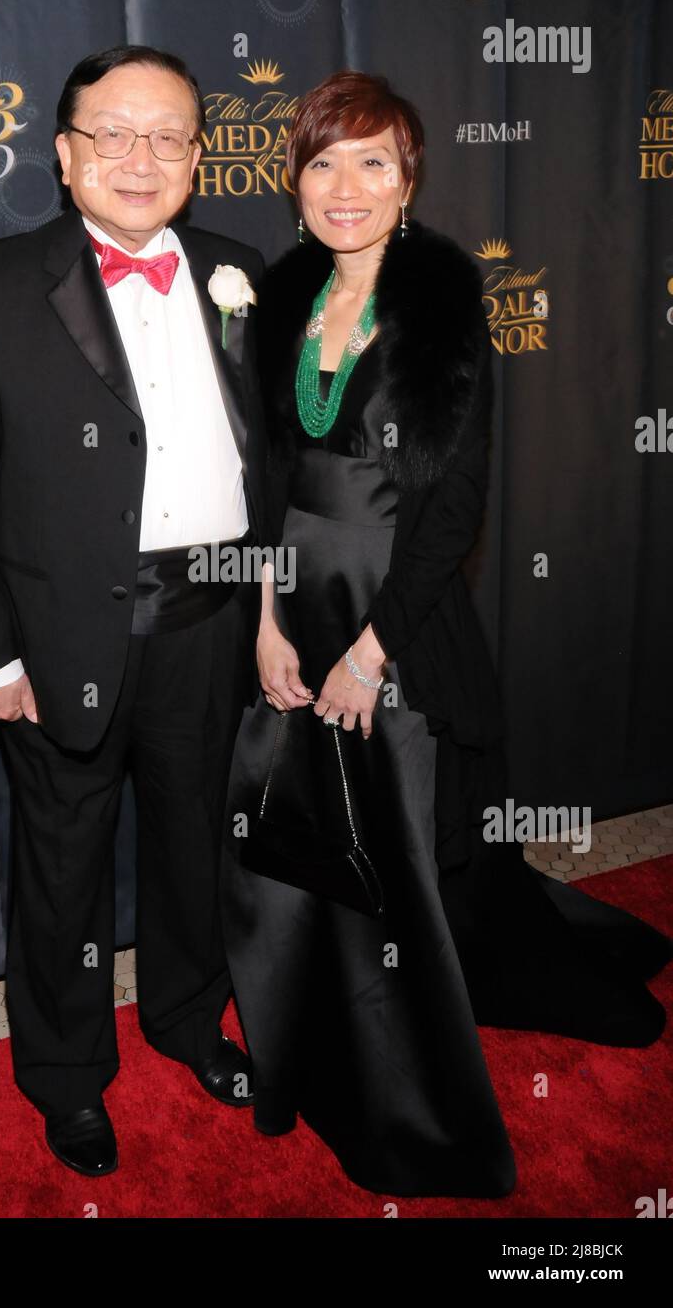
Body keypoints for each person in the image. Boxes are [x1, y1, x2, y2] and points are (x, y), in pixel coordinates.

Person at [221, 70, 673, 1197]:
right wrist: (269, 623)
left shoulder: (441, 303)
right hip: (295, 598)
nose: (345, 185)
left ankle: (411, 1101)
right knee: (303, 848)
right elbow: (264, 481)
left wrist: (369, 653)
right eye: (322, 160)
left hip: (394, 615)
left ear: (408, 179)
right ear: (294, 180)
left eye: (371, 160)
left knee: (402, 864)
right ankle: (310, 1048)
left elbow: (452, 508)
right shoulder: (278, 300)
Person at [0, 46, 269, 1177]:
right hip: (60, 634)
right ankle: (68, 1077)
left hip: (210, 626)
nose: (141, 157)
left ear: (197, 158)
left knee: (193, 848)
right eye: (112, 134)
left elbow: (265, 460)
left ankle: (185, 1016)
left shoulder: (236, 269)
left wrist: (271, 607)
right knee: (64, 864)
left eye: (168, 135)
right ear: (66, 156)